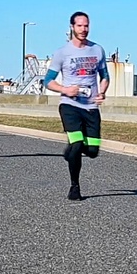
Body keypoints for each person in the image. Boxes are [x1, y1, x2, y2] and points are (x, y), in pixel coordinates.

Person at [44, 11, 110, 200]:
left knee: (92, 151)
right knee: (77, 143)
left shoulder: (97, 50)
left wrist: (102, 92)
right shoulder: (62, 53)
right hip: (70, 105)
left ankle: (71, 152)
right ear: (72, 27)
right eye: (79, 25)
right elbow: (48, 81)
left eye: (86, 25)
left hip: (91, 107)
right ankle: (75, 186)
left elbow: (105, 76)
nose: (83, 29)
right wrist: (65, 89)